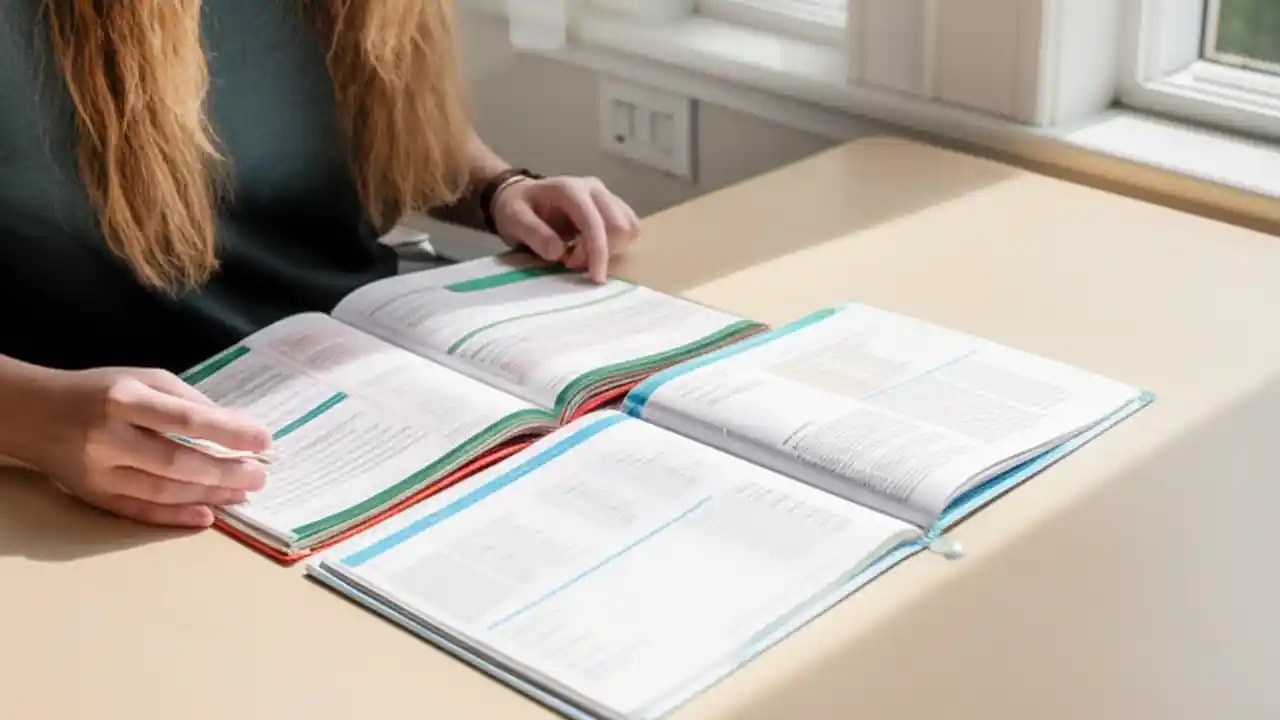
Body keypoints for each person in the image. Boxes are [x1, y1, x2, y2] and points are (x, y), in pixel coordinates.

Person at [0, 0, 641, 528]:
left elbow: (375, 126)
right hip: (115, 471)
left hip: (366, 392)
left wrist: (498, 189)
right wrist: (33, 415)